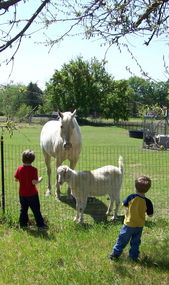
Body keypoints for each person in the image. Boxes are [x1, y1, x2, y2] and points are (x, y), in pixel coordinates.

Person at [109, 175, 153, 261]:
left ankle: (115, 254)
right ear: (148, 189)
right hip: (139, 225)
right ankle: (133, 257)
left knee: (122, 240)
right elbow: (150, 215)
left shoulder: (131, 197)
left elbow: (123, 204)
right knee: (136, 242)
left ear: (135, 187)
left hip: (129, 224)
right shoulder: (148, 202)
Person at [14, 149, 48, 231]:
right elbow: (34, 182)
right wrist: (40, 179)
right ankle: (41, 226)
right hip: (32, 194)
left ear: (22, 158)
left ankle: (23, 224)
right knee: (36, 210)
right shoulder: (34, 169)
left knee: (23, 209)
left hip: (22, 194)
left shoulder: (19, 168)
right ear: (33, 159)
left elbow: (16, 179)